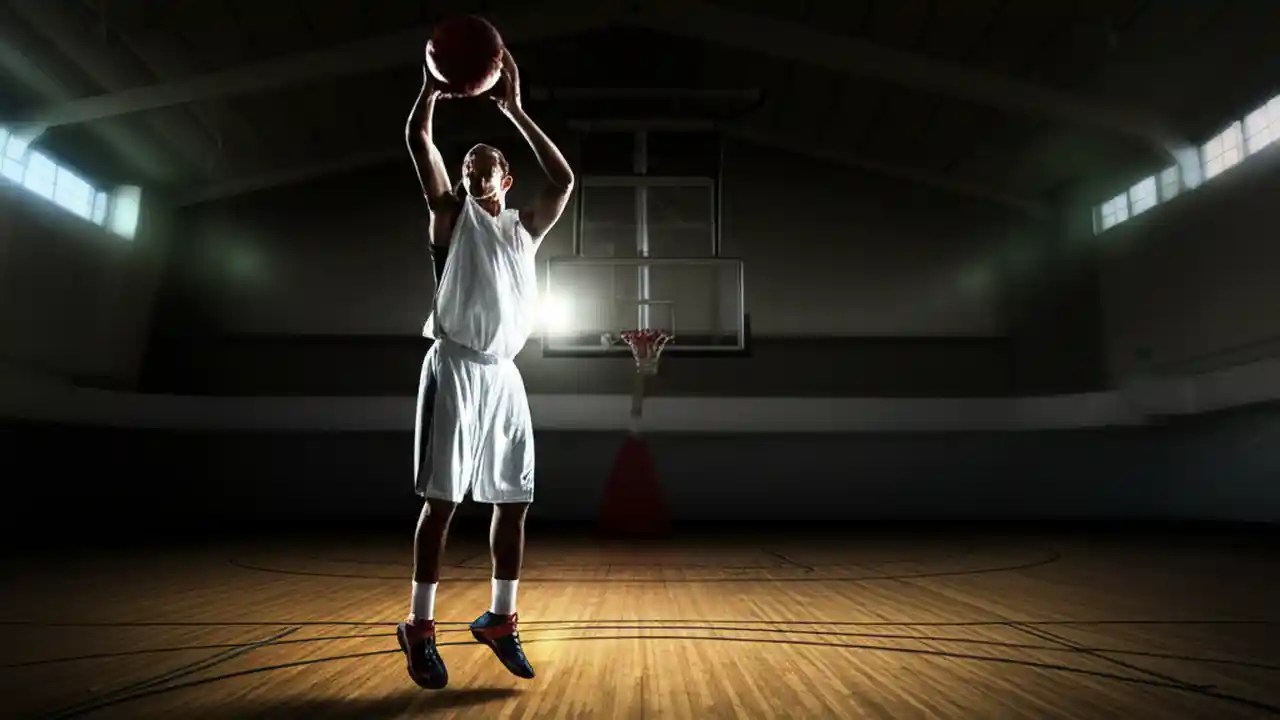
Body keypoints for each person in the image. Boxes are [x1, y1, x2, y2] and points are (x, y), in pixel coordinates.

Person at [396, 47, 573, 690]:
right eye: (468, 161)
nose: (474, 165)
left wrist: (517, 111)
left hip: (505, 374)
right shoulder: (450, 215)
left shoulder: (525, 229)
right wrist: (430, 92)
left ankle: (501, 617)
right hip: (454, 364)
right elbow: (419, 140)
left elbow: (565, 182)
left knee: (515, 498)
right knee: (441, 501)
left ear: (506, 178)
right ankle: (419, 626)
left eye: (487, 161)